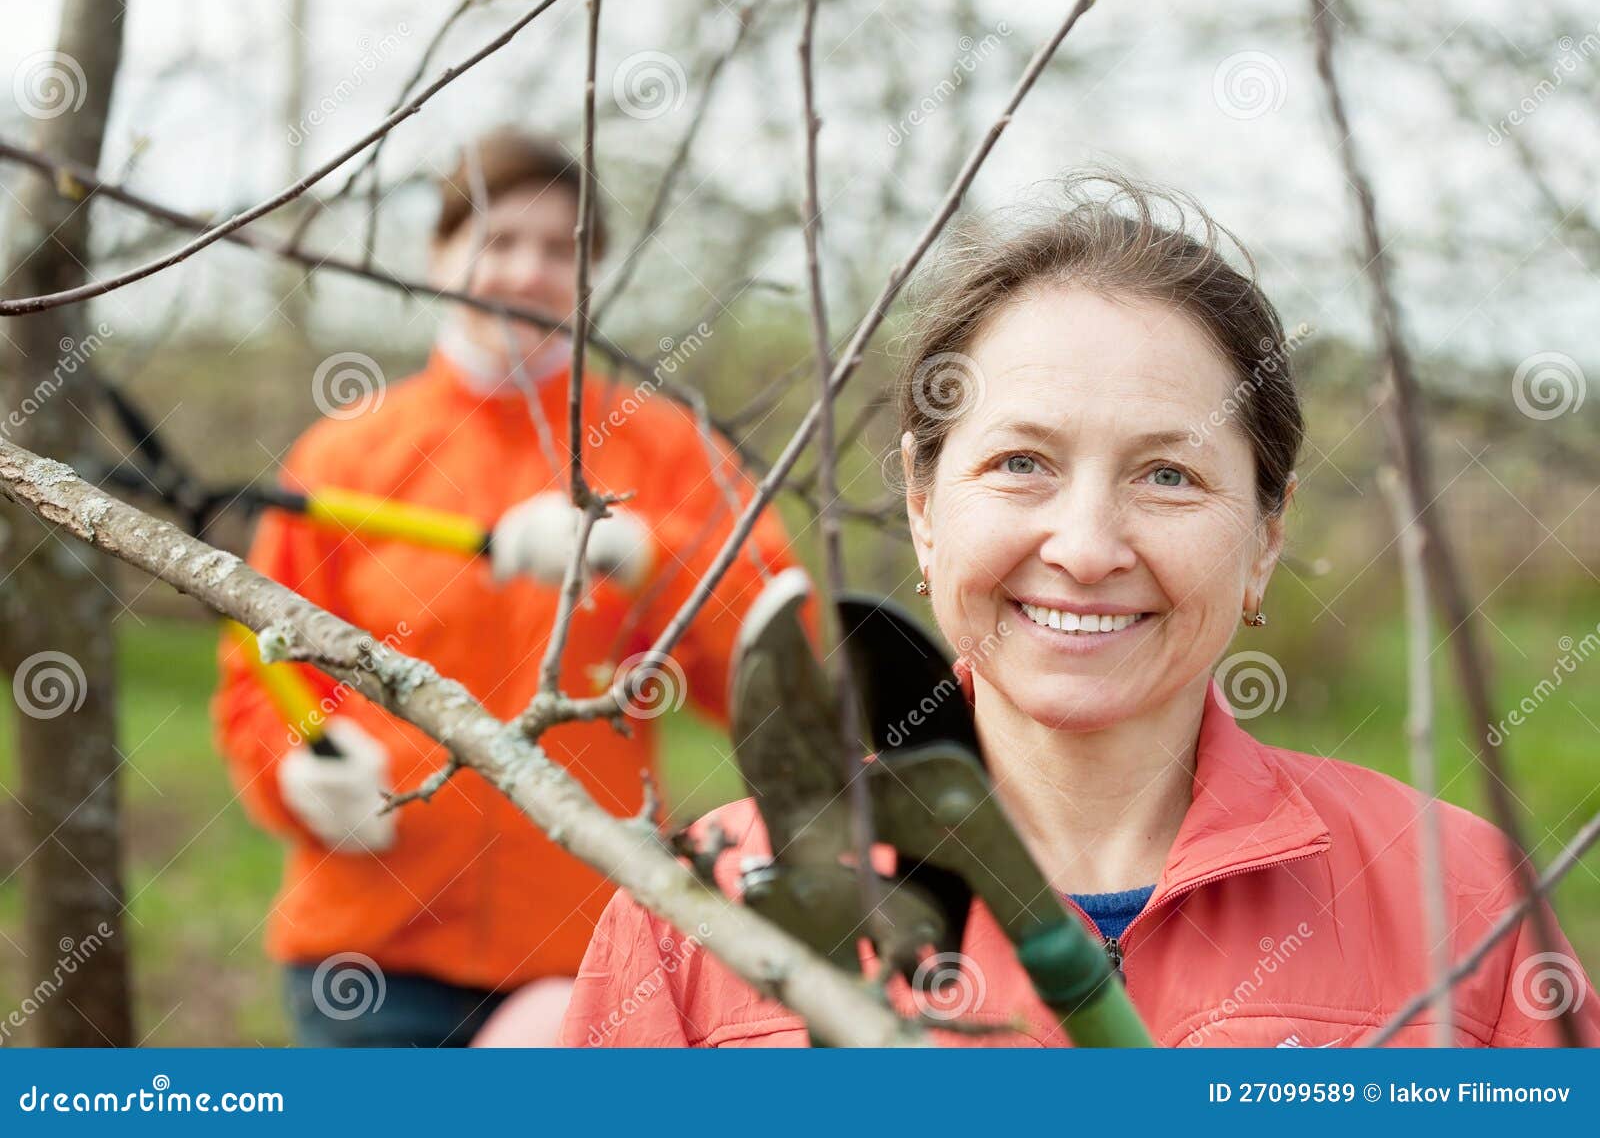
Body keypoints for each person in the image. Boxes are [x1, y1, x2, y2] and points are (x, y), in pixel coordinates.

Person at [559, 172, 1600, 1048]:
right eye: (1021, 462)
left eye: (1167, 476)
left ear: (1264, 538)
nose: (1088, 547)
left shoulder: (1462, 901)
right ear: (923, 508)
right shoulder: (697, 922)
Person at [212, 127, 798, 1047]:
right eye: (496, 241)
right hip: (370, 956)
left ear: (594, 272)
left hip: (597, 954)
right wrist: (296, 768)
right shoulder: (347, 457)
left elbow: (788, 665)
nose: (524, 272)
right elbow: (260, 660)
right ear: (439, 255)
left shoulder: (667, 450)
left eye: (558, 249)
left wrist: (654, 553)